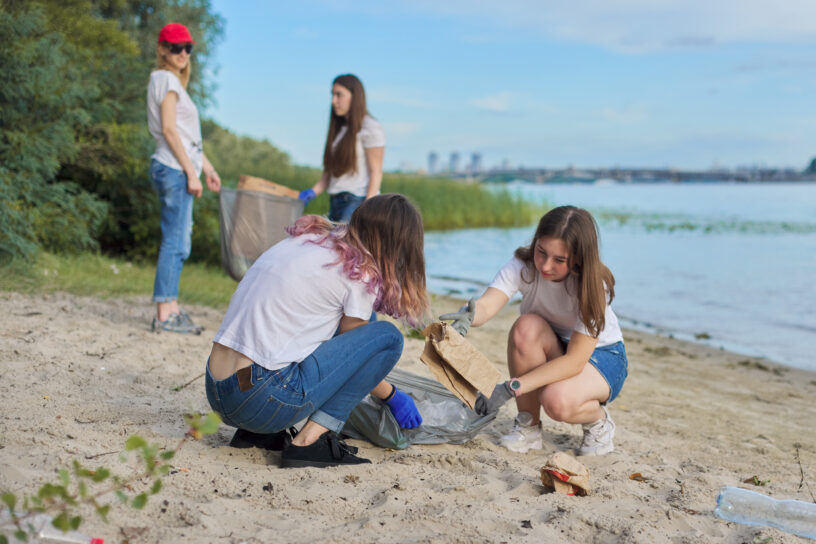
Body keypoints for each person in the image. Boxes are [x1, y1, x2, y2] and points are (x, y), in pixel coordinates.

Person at [206, 194, 428, 468]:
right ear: (400, 244)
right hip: (260, 400)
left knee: (357, 319)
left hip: (218, 390)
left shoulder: (307, 240)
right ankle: (309, 442)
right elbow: (355, 363)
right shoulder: (359, 270)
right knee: (388, 338)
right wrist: (393, 396)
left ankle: (259, 433)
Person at [440, 206, 628, 456]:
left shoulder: (594, 286)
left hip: (601, 357)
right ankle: (528, 426)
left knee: (557, 402)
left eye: (559, 260)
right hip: (555, 343)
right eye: (541, 252)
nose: (545, 266)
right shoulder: (523, 266)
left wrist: (508, 388)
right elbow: (488, 304)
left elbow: (573, 361)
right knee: (525, 327)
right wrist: (469, 314)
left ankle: (598, 422)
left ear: (579, 259)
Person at [147, 23, 221, 334]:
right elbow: (168, 130)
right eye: (176, 47)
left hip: (178, 166)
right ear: (162, 49)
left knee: (181, 242)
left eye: (187, 48)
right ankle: (164, 314)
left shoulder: (171, 82)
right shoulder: (166, 79)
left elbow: (187, 138)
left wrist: (207, 167)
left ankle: (172, 308)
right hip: (174, 169)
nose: (182, 54)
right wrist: (192, 173)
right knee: (176, 242)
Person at [298, 74, 384, 223]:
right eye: (332, 95)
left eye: (339, 95)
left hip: (356, 202)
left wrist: (367, 209)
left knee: (343, 246)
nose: (333, 101)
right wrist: (312, 192)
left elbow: (376, 172)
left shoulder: (370, 127)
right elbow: (330, 173)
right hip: (336, 202)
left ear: (354, 96)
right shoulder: (340, 130)